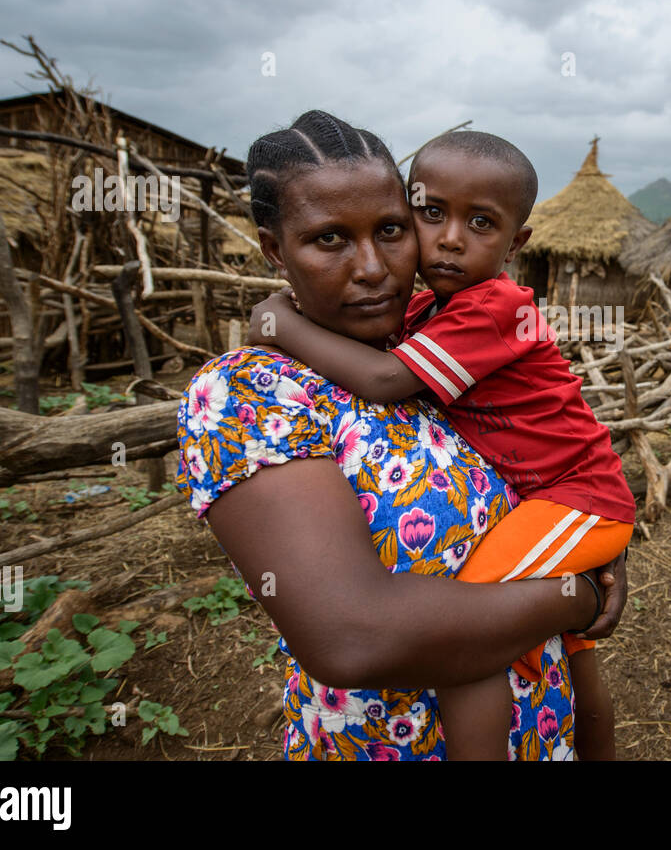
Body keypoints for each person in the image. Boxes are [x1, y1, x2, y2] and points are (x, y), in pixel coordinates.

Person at [174, 110, 626, 760]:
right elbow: (351, 637)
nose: (372, 267)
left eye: (390, 230)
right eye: (329, 239)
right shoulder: (250, 394)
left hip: (543, 727)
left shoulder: (421, 347)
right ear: (275, 250)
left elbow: (537, 461)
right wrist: (575, 598)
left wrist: (599, 552)